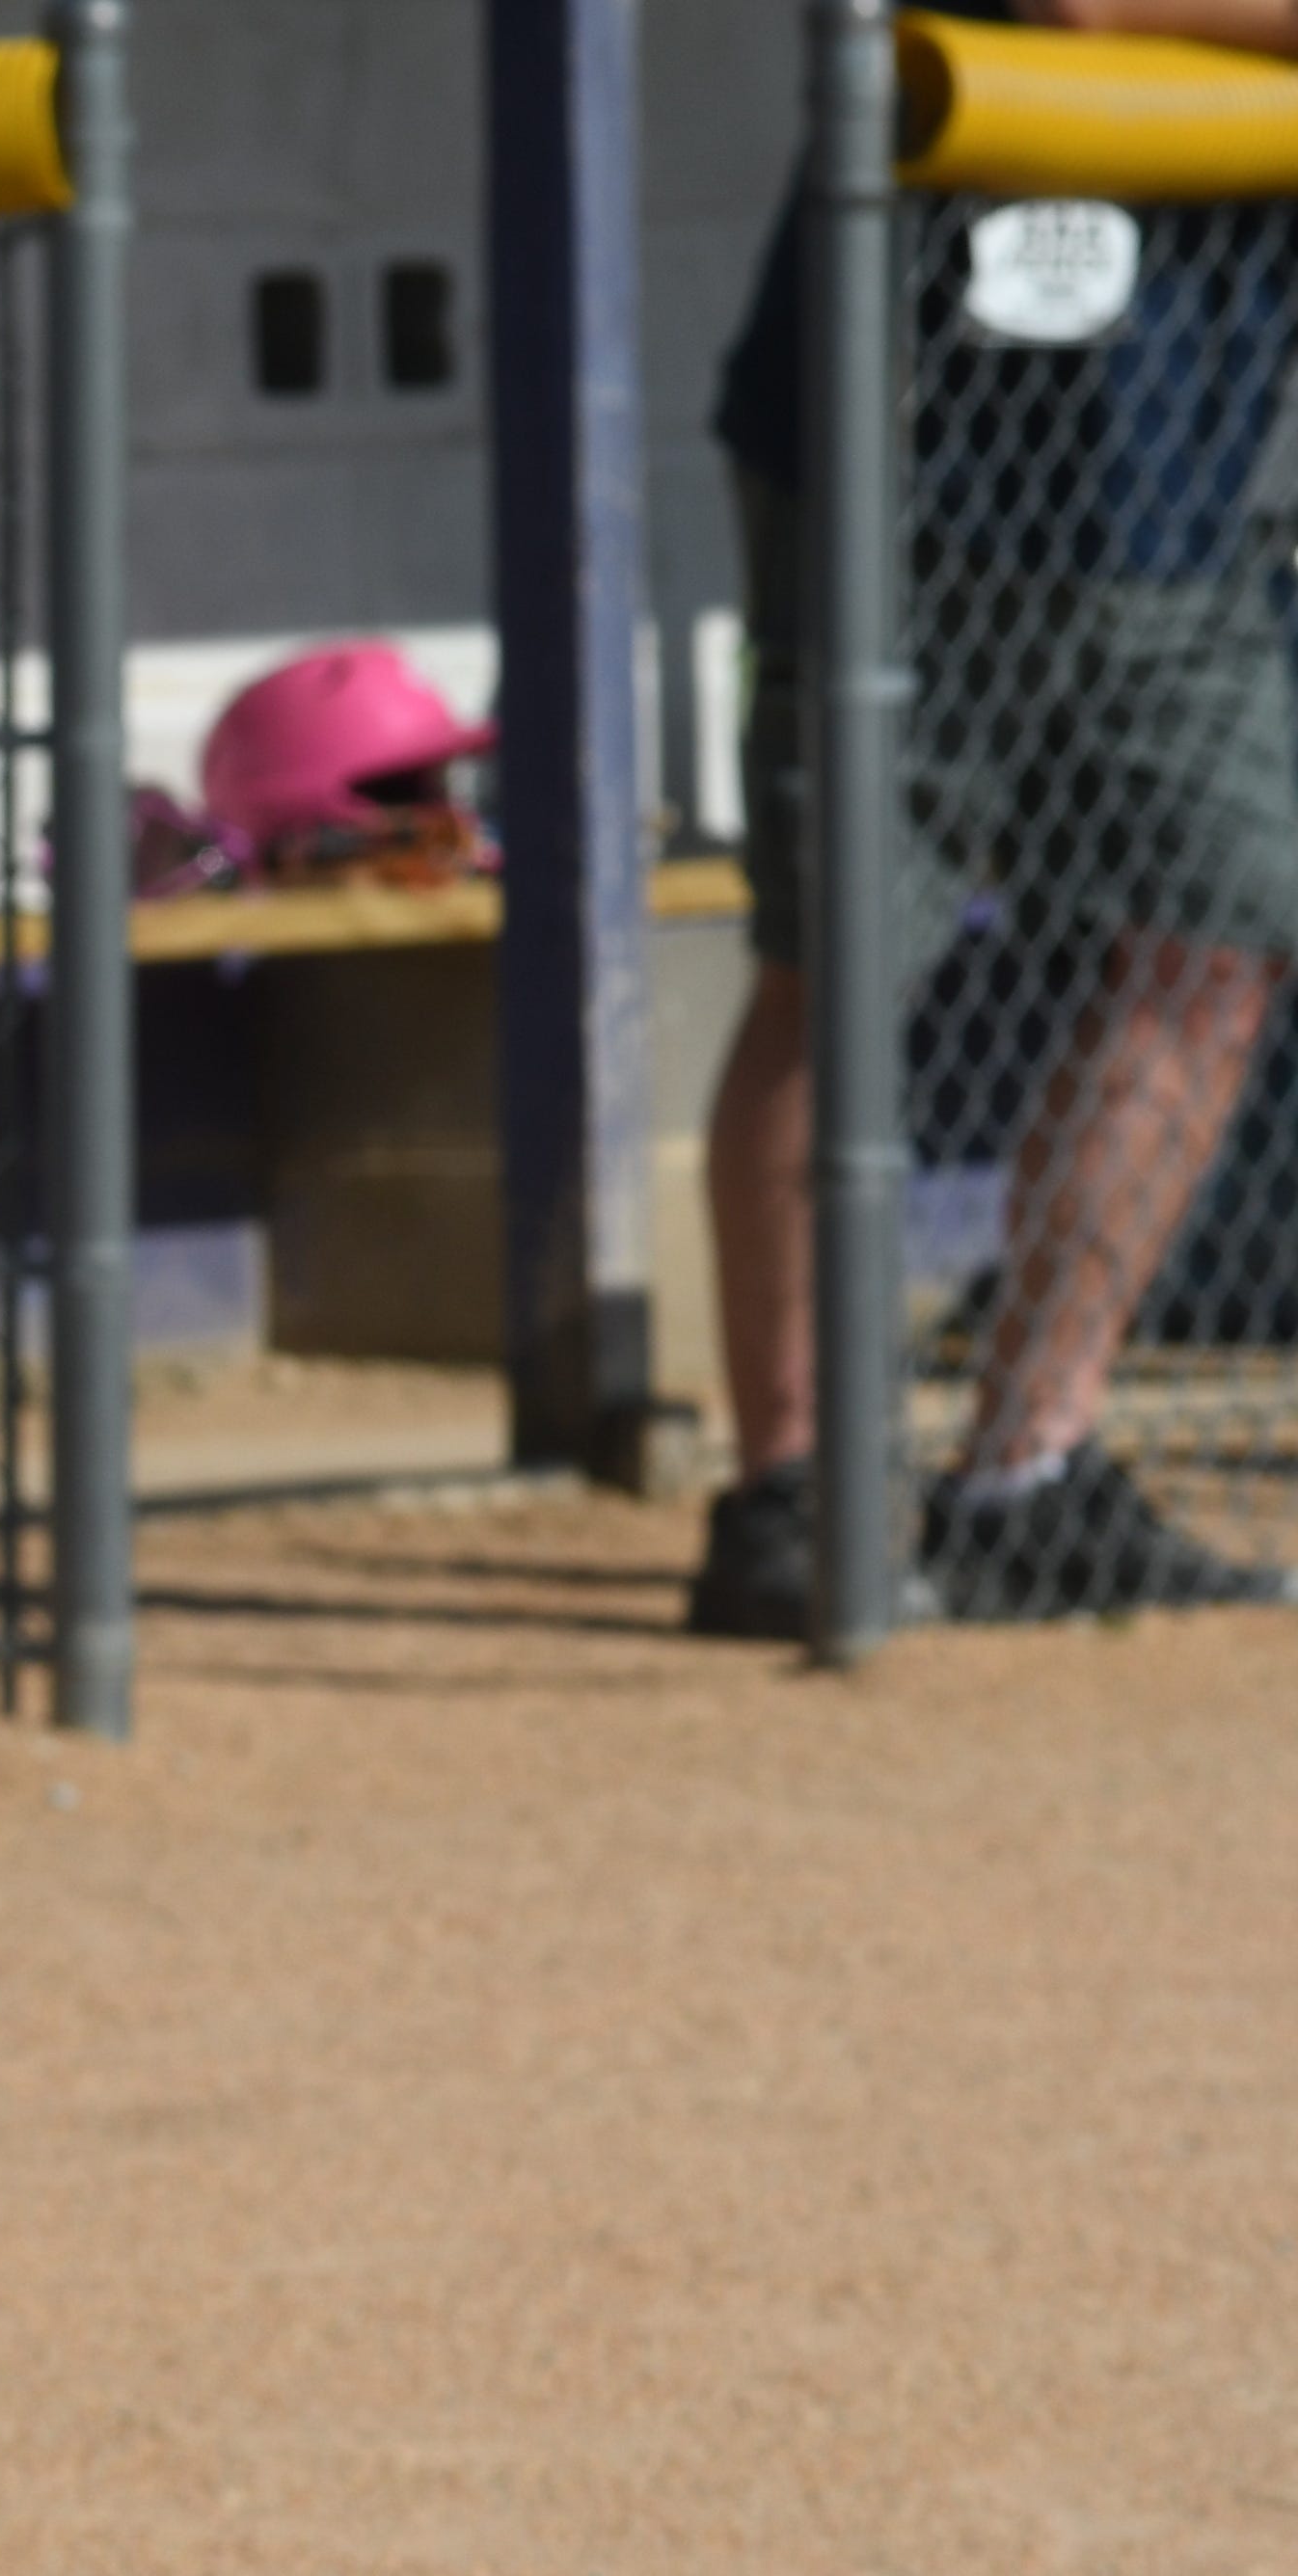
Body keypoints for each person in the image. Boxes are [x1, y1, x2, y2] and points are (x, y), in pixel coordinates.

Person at [690, 0, 1298, 1634]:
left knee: (1220, 943)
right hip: (897, 458)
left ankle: (1030, 1471)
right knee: (842, 963)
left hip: (1174, 494)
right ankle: (790, 1493)